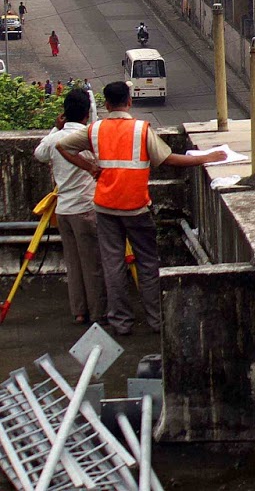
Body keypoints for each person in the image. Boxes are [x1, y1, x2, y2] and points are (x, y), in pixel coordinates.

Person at [54, 81, 228, 335]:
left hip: (105, 207)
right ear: (129, 101)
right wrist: (205, 157)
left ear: (107, 104)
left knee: (112, 265)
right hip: (135, 207)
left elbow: (62, 146)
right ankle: (156, 320)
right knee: (147, 264)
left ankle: (121, 322)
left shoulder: (95, 129)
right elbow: (168, 159)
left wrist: (90, 168)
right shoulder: (140, 130)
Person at [34, 88, 104, 325]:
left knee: (73, 265)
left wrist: (56, 127)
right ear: (87, 114)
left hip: (63, 208)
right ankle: (97, 312)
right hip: (85, 207)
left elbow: (40, 153)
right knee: (92, 265)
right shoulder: (88, 137)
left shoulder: (56, 139)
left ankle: (79, 311)